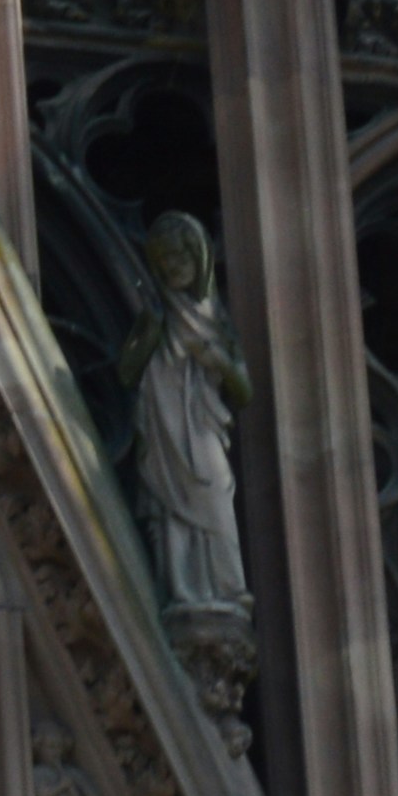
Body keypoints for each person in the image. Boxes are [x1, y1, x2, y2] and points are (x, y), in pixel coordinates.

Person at [126, 217, 252, 627]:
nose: (172, 267)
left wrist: (218, 362)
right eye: (163, 260)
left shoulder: (214, 316)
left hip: (201, 425)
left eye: (179, 256)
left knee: (215, 498)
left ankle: (226, 591)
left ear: (198, 256)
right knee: (171, 510)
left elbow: (244, 388)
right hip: (162, 424)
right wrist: (151, 332)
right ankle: (184, 590)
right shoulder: (159, 311)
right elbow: (127, 371)